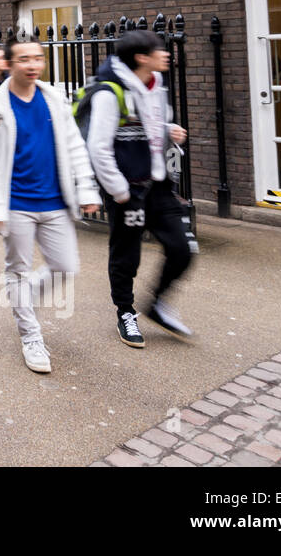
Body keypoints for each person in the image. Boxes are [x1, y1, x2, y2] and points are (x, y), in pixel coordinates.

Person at [0, 35, 101, 373]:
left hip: (55, 201)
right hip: (16, 203)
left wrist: (87, 189)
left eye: (38, 58)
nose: (33, 65)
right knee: (18, 269)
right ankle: (30, 336)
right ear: (10, 64)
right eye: (24, 59)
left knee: (65, 266)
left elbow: (74, 145)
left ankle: (23, 296)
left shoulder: (54, 98)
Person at [82, 29, 192, 348]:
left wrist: (167, 130)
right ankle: (125, 312)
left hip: (157, 184)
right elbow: (98, 148)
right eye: (159, 49)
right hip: (127, 188)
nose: (166, 53)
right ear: (142, 58)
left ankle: (157, 304)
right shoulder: (109, 92)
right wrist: (119, 192)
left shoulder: (156, 86)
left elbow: (147, 126)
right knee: (126, 253)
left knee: (181, 249)